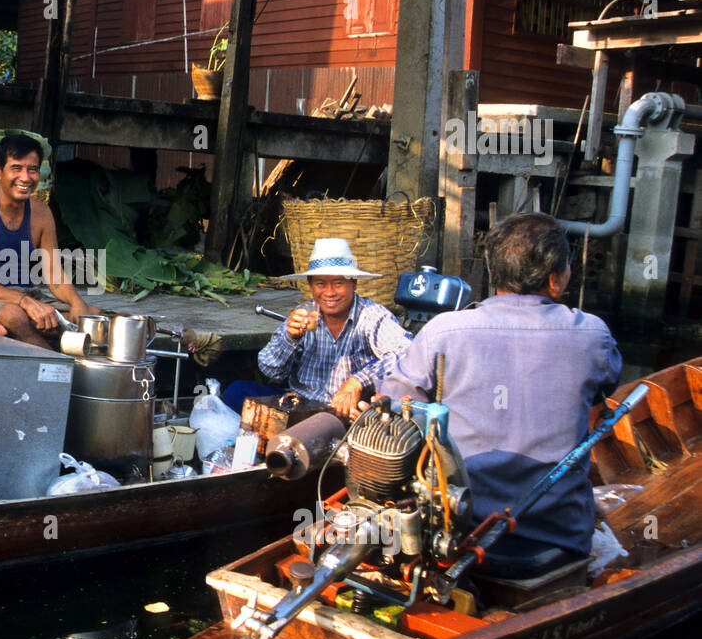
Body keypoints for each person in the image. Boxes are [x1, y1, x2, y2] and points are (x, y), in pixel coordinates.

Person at [376, 212, 622, 577]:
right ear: (555, 279)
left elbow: (396, 410)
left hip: (455, 531)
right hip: (558, 536)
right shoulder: (591, 334)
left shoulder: (443, 330)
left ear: (495, 274)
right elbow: (606, 385)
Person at [230, 238, 411, 419]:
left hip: (345, 412)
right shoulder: (304, 314)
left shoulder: (372, 315)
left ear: (353, 283)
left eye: (339, 283)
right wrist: (290, 337)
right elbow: (270, 369)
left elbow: (408, 352)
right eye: (321, 283)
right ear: (310, 285)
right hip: (300, 405)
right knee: (236, 391)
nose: (330, 292)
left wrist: (358, 381)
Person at [0, 133, 99, 349]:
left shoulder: (41, 212)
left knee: (95, 317)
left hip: (23, 294)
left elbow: (53, 273)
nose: (26, 177)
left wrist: (76, 302)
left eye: (33, 169)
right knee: (15, 315)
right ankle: (56, 368)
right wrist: (25, 302)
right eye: (16, 168)